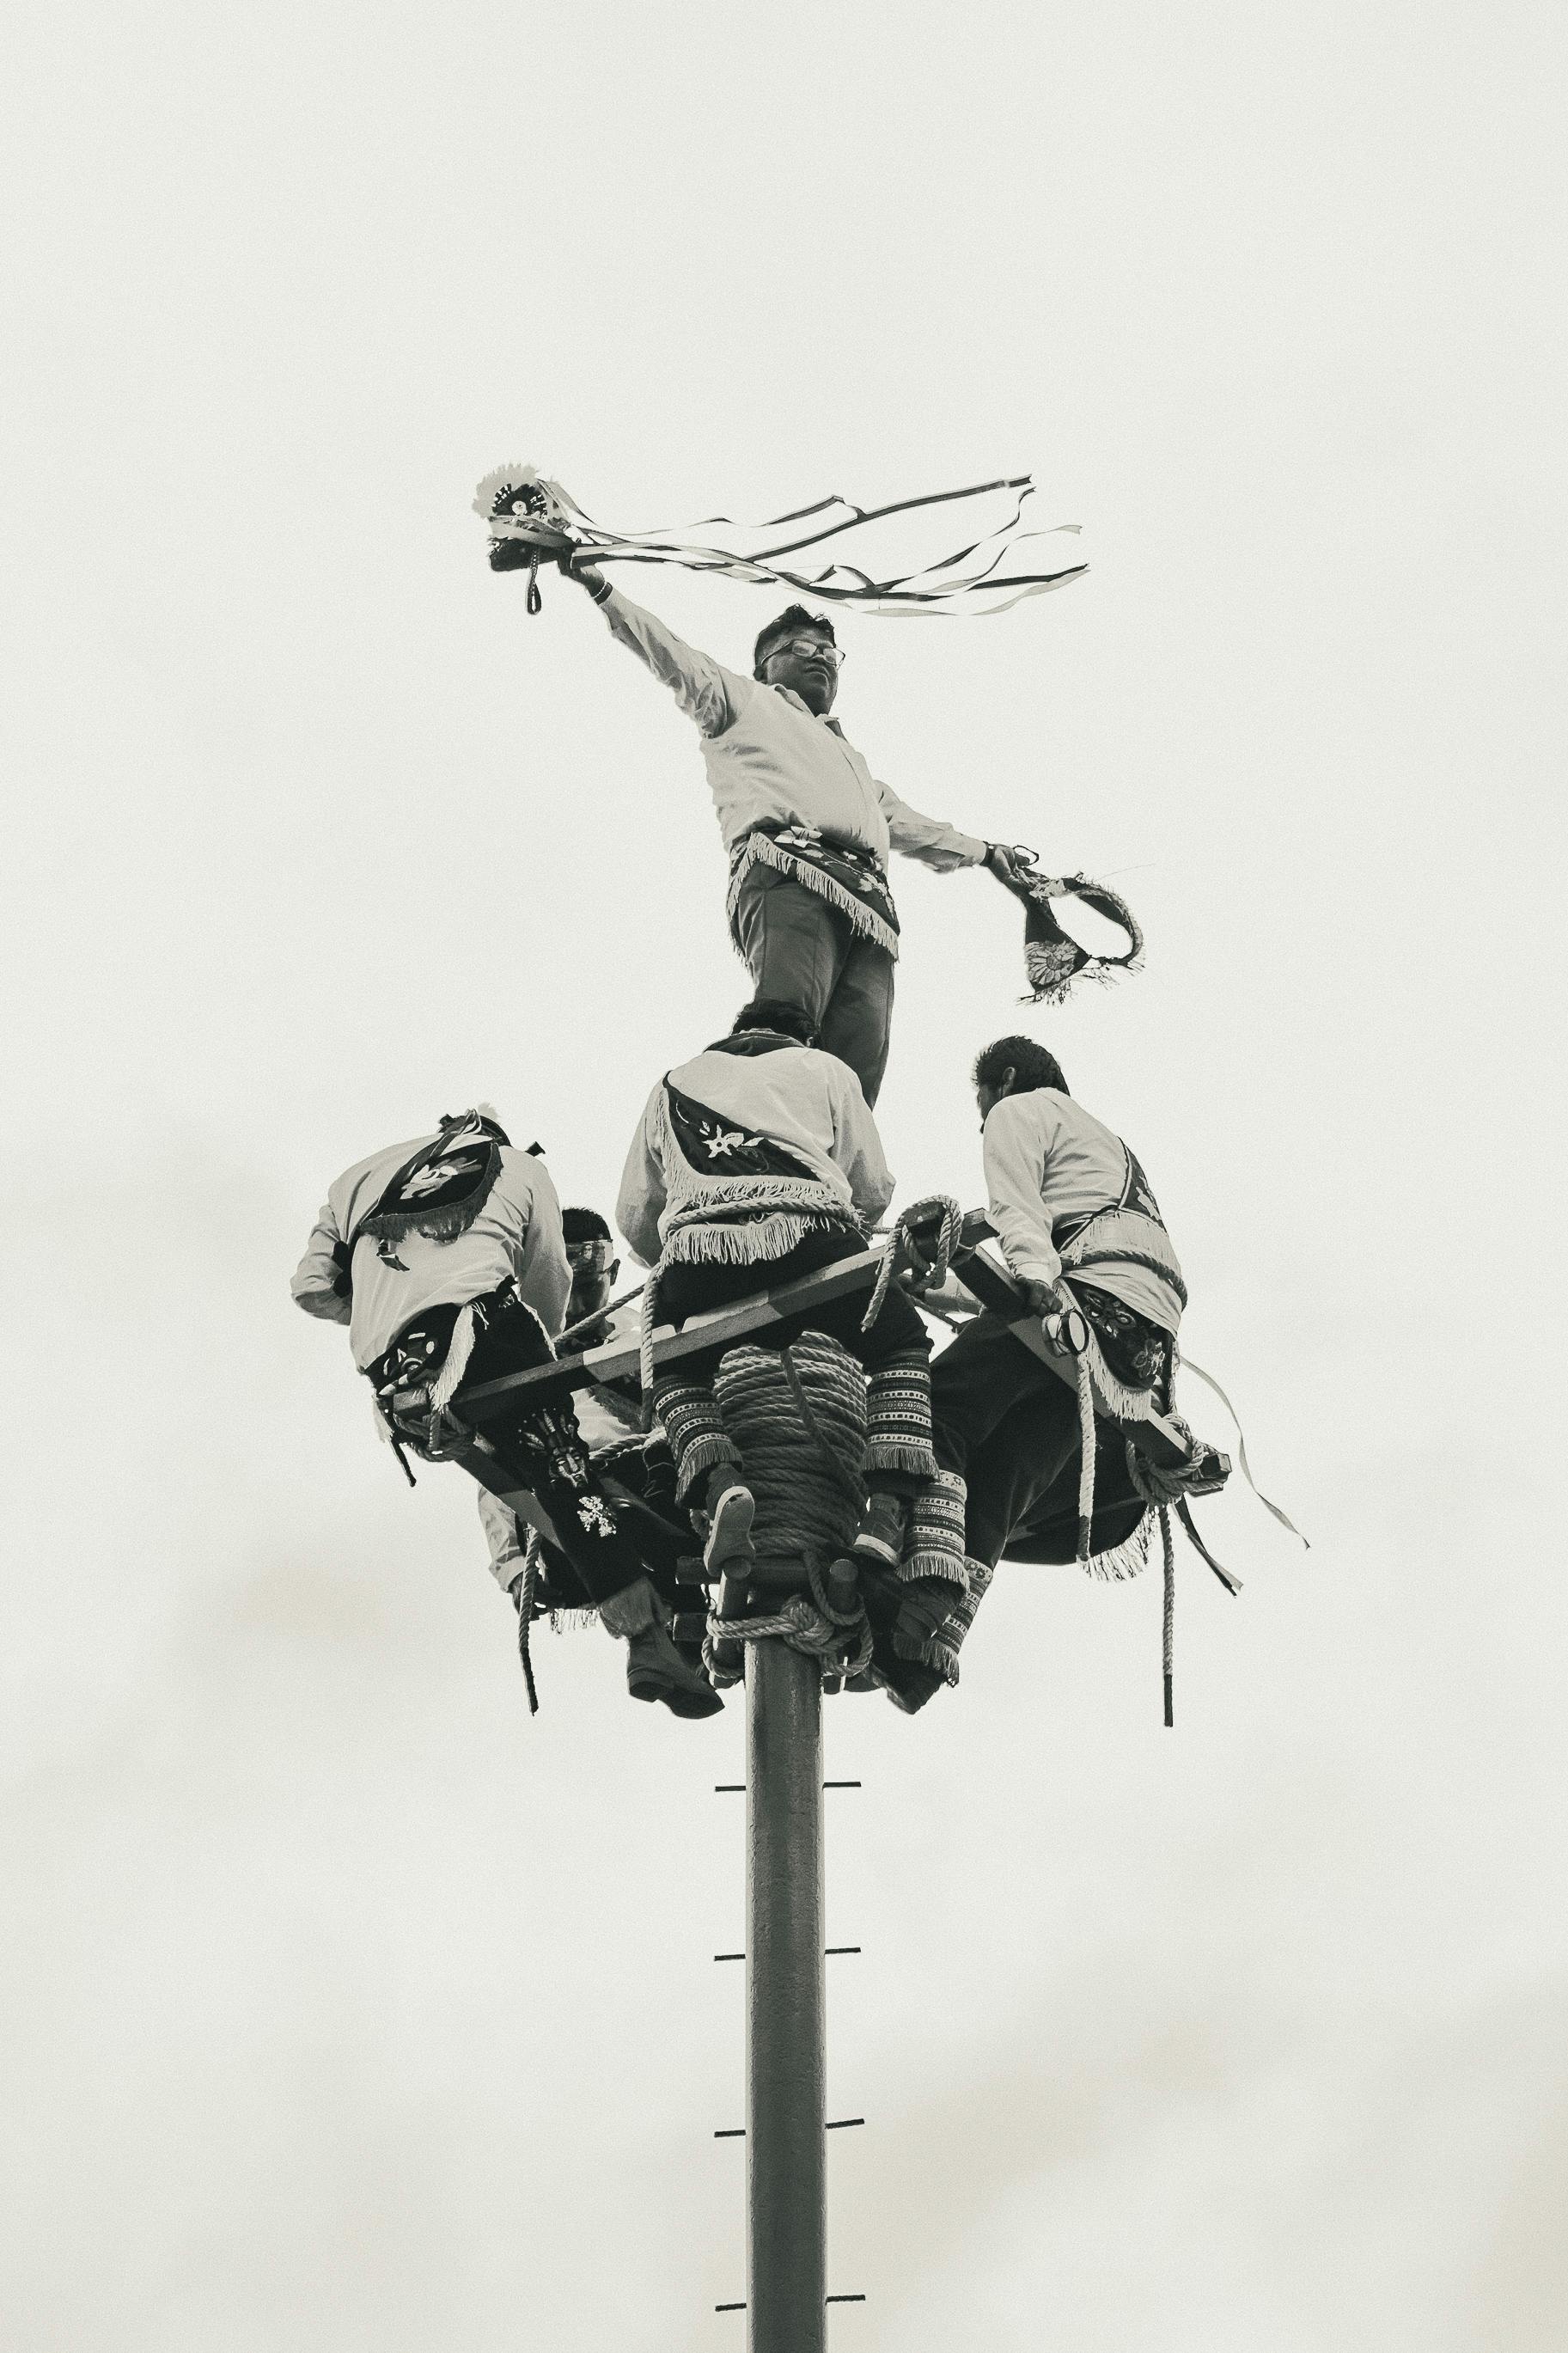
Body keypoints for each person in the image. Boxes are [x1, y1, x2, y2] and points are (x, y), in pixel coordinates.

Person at [553, 553, 1034, 1106]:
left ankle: (834, 1179)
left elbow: (915, 826)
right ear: (766, 667)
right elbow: (672, 655)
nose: (821, 660)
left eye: (830, 653)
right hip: (789, 870)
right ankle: (758, 1148)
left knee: (856, 1066)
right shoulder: (743, 702)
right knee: (786, 1027)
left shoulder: (854, 763)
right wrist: (601, 588)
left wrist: (988, 854)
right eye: (802, 649)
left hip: (871, 911)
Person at [290, 1109, 720, 1719]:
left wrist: (393, 1304)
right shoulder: (517, 1169)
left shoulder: (355, 1181)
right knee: (570, 1479)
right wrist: (546, 1355)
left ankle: (652, 1639)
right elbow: (548, 1280)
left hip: (397, 1380)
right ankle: (658, 1636)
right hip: (483, 1337)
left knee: (562, 1488)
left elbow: (312, 1288)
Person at [615, 999, 967, 1678]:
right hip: (810, 1242)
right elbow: (870, 1188)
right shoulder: (824, 1067)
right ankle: (888, 1511)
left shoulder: (671, 1083)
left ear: (733, 1029)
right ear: (797, 1035)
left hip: (699, 1257)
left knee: (673, 1364)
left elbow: (635, 1217)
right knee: (898, 1346)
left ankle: (718, 1479)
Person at [927, 1036, 1188, 1568]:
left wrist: (1033, 1275)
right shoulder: (1106, 1146)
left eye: (983, 1109)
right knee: (1000, 1482)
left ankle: (891, 1539)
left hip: (1082, 1305)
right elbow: (1054, 1262)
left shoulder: (1018, 1109)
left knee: (932, 1411)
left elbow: (1017, 1209)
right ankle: (933, 1631)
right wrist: (934, 1287)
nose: (985, 1125)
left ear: (1004, 1081)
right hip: (1135, 1351)